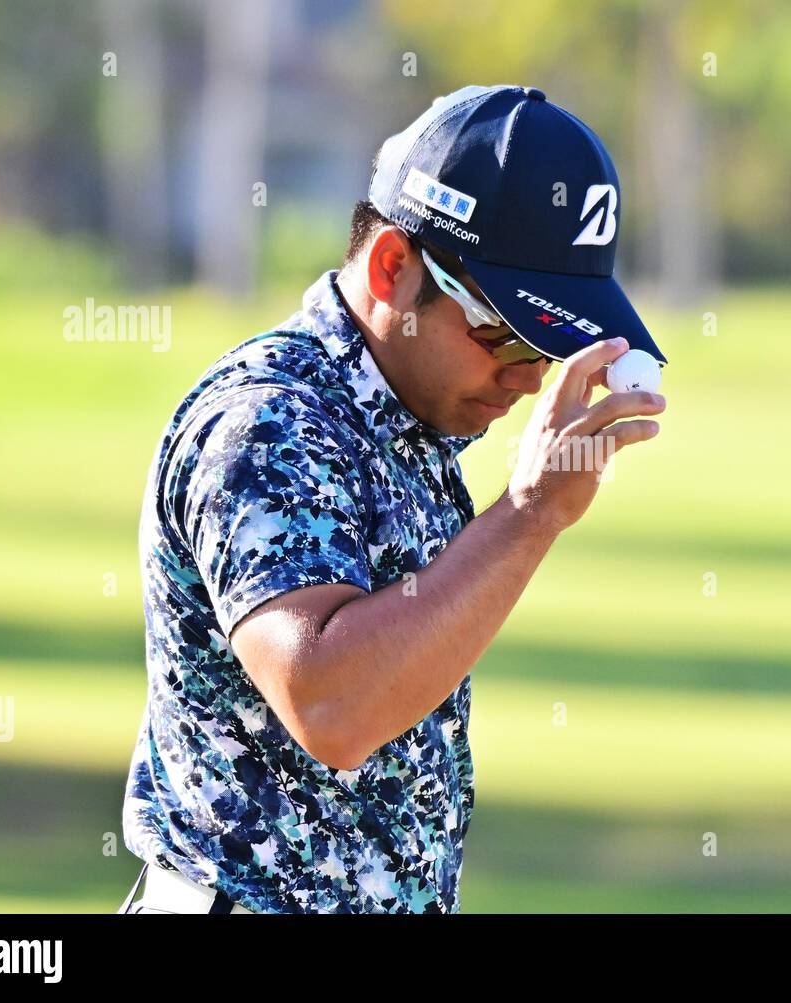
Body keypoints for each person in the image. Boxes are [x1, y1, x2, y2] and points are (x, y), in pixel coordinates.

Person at [117, 84, 668, 914]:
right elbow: (331, 703)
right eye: (507, 335)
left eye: (550, 350)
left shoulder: (413, 421)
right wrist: (531, 512)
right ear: (392, 268)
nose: (527, 381)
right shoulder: (267, 421)